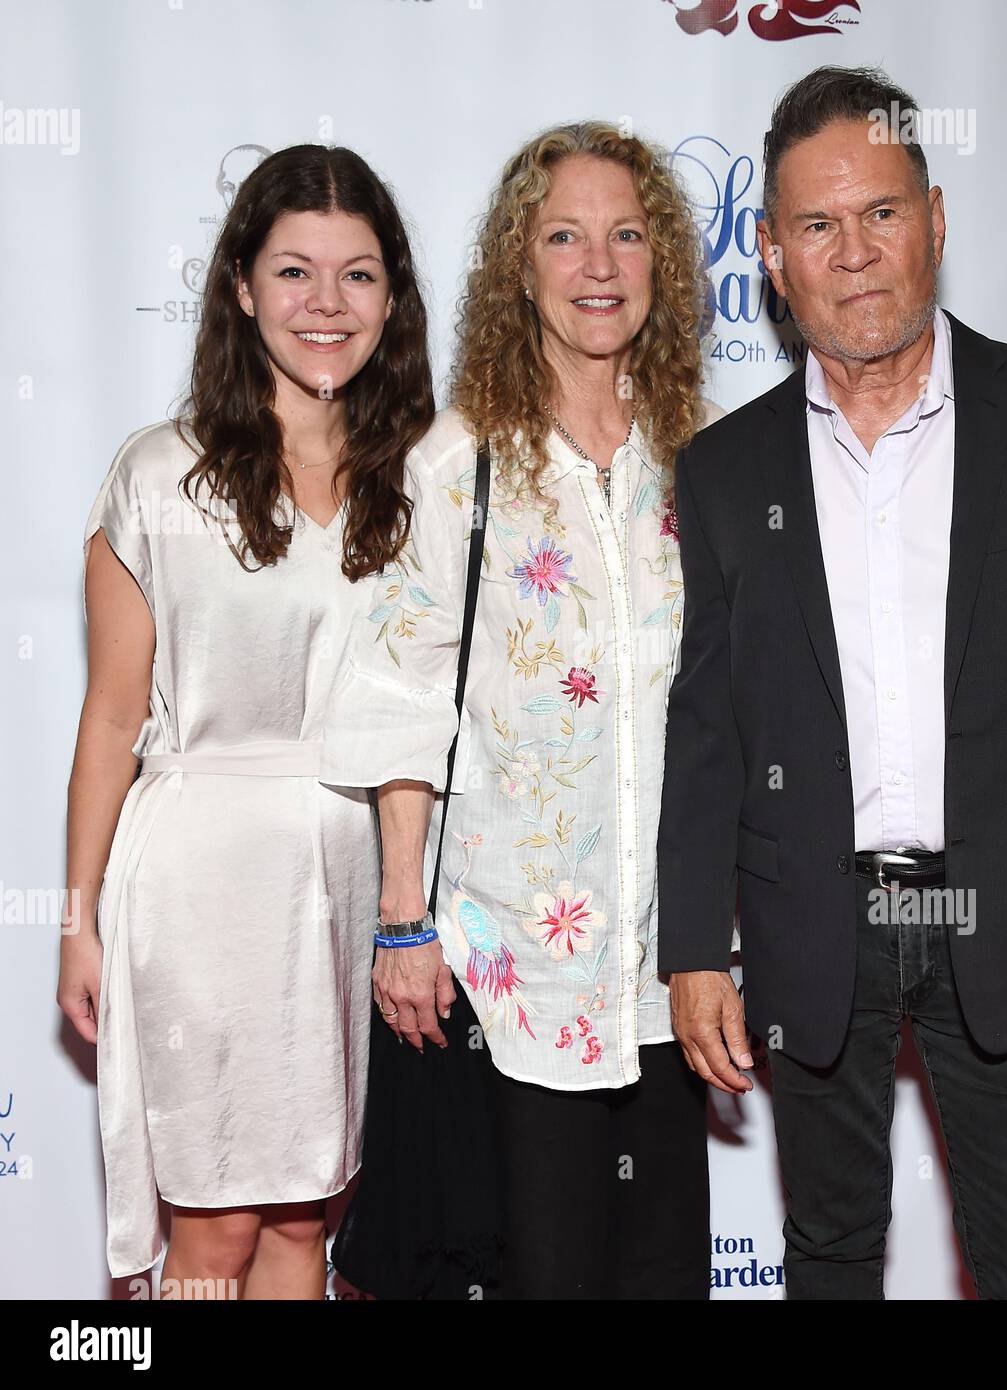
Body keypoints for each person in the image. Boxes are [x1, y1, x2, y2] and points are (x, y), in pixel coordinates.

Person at [657, 66, 1007, 1300]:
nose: (852, 254)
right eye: (816, 225)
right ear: (772, 255)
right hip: (809, 927)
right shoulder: (725, 471)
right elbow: (704, 732)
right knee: (828, 1259)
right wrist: (690, 945)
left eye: (880, 213)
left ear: (935, 219)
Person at [319, 121, 724, 1299]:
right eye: (564, 236)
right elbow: (399, 695)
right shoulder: (456, 462)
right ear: (519, 267)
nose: (598, 263)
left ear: (662, 265)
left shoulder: (700, 458)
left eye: (626, 234)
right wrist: (403, 922)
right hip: (507, 974)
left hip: (662, 973)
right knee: (536, 1275)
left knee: (657, 1280)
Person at [60, 145, 436, 1296]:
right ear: (238, 286)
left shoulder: (422, 474)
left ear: (392, 294)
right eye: (293, 272)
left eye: (357, 275)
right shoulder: (159, 475)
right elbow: (113, 710)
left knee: (304, 1218)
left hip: (341, 876)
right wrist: (76, 918)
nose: (326, 304)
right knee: (215, 1226)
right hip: (200, 875)